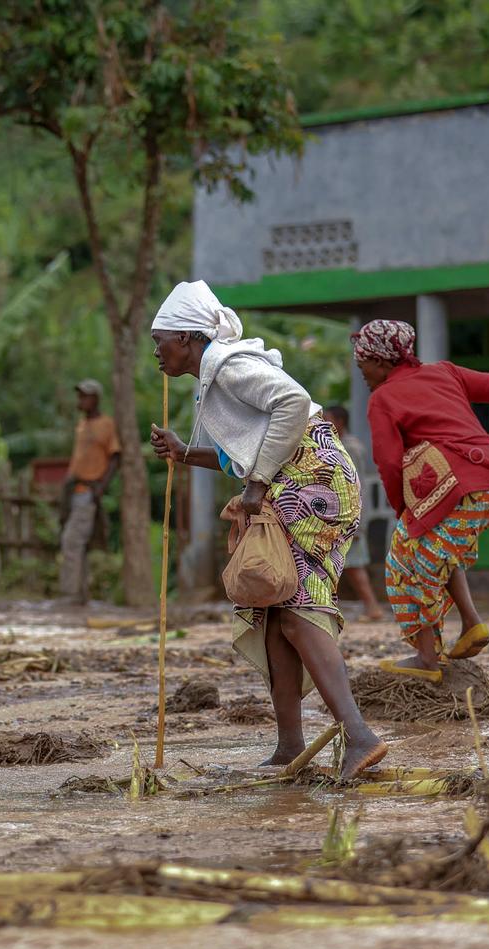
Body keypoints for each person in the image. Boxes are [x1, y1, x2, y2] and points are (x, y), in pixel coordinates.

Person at [149, 280, 385, 780]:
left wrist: (257, 483)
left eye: (161, 341)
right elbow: (250, 448)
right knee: (274, 617)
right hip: (294, 486)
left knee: (297, 614)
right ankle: (289, 749)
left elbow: (294, 405)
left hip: (313, 487)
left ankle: (360, 736)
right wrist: (183, 453)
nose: (157, 353)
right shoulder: (216, 374)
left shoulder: (232, 366)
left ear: (189, 338)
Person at [354, 318, 489, 680]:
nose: (362, 374)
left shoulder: (382, 399)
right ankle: (471, 624)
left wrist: (404, 512)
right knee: (438, 554)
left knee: (404, 562)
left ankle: (427, 658)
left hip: (456, 488)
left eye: (363, 365)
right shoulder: (443, 372)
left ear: (383, 361)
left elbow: (388, 463)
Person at [320, 405, 386, 621]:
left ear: (340, 422)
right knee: (342, 565)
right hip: (338, 516)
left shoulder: (351, 449)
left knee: (354, 566)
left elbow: (357, 486)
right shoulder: (334, 446)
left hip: (349, 517)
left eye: (327, 419)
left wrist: (357, 521)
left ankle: (373, 607)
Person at [58, 378, 120, 605]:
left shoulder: (106, 424)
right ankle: (79, 594)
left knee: (71, 541)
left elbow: (115, 456)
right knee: (78, 543)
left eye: (85, 396)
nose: (80, 400)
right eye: (79, 396)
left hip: (89, 491)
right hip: (75, 489)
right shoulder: (82, 424)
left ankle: (70, 594)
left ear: (95, 398)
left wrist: (101, 488)